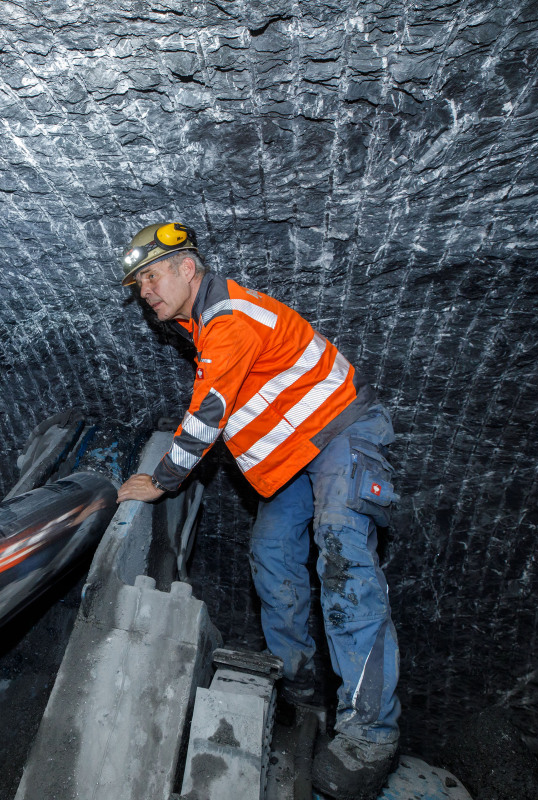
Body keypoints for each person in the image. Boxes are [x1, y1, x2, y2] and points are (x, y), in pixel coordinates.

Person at [114, 222, 402, 800]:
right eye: (138, 283)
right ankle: (297, 686)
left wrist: (162, 481)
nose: (145, 290)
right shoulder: (207, 326)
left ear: (187, 269)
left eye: (152, 275)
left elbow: (207, 413)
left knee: (343, 559)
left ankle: (371, 733)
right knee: (272, 552)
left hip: (342, 436)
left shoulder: (229, 321)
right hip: (298, 457)